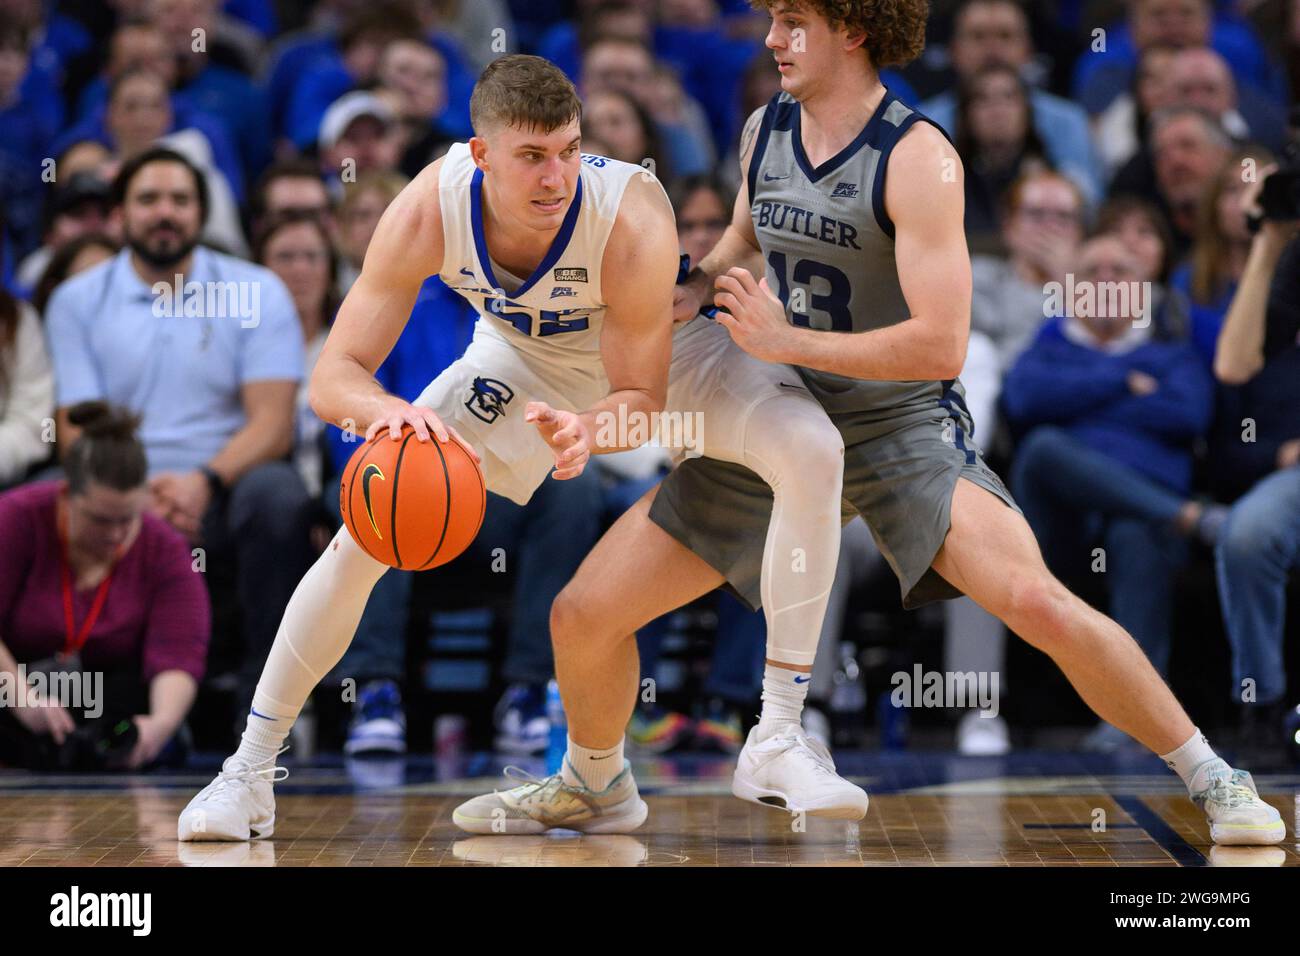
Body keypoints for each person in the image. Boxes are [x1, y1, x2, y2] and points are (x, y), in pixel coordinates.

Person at [456, 0, 1286, 845]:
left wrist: (788, 337)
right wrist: (693, 285)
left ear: (852, 28)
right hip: (780, 417)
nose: (773, 38)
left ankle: (1215, 777)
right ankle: (596, 783)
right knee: (583, 615)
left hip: (898, 428)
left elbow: (941, 344)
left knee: (1039, 603)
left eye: (791, 20)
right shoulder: (764, 127)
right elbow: (744, 237)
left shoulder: (920, 157)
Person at [176, 54, 852, 842]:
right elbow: (333, 375)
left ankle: (778, 732)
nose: (556, 176)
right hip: (518, 359)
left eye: (568, 150)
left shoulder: (629, 210)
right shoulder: (428, 206)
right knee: (370, 523)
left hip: (671, 365)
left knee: (812, 445)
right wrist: (389, 414)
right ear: (481, 153)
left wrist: (588, 431)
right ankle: (250, 772)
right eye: (533, 156)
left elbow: (642, 402)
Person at [43, 147, 314, 724]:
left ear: (201, 212)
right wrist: (130, 496)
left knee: (279, 496)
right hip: (120, 486)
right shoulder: (77, 300)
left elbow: (271, 423)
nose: (165, 213)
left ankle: (266, 712)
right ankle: (58, 708)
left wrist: (203, 482)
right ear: (119, 215)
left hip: (225, 483)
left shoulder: (258, 290)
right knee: (39, 498)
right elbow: (77, 425)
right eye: (148, 199)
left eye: (180, 200)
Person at [0, 401, 210, 770]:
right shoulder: (18, 518)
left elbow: (179, 652)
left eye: (126, 519)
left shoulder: (163, 547)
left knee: (152, 717)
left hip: (110, 704)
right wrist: (23, 699)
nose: (115, 534)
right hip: (18, 689)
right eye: (100, 520)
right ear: (66, 495)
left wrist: (159, 727)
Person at [1209, 165, 1300, 761]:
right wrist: (1270, 237)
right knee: (1247, 534)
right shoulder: (1282, 269)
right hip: (1290, 477)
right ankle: (1263, 706)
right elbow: (1234, 365)